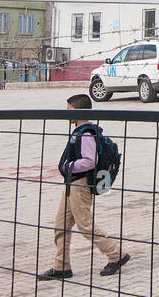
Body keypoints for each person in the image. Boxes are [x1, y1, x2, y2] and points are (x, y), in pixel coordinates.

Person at [39, 94, 129, 280]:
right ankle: (61, 266)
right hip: (71, 183)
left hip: (80, 184)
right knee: (61, 224)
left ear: (79, 111)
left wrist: (68, 167)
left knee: (85, 224)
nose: (67, 113)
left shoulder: (85, 133)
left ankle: (116, 254)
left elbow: (90, 160)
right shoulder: (79, 131)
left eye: (69, 110)